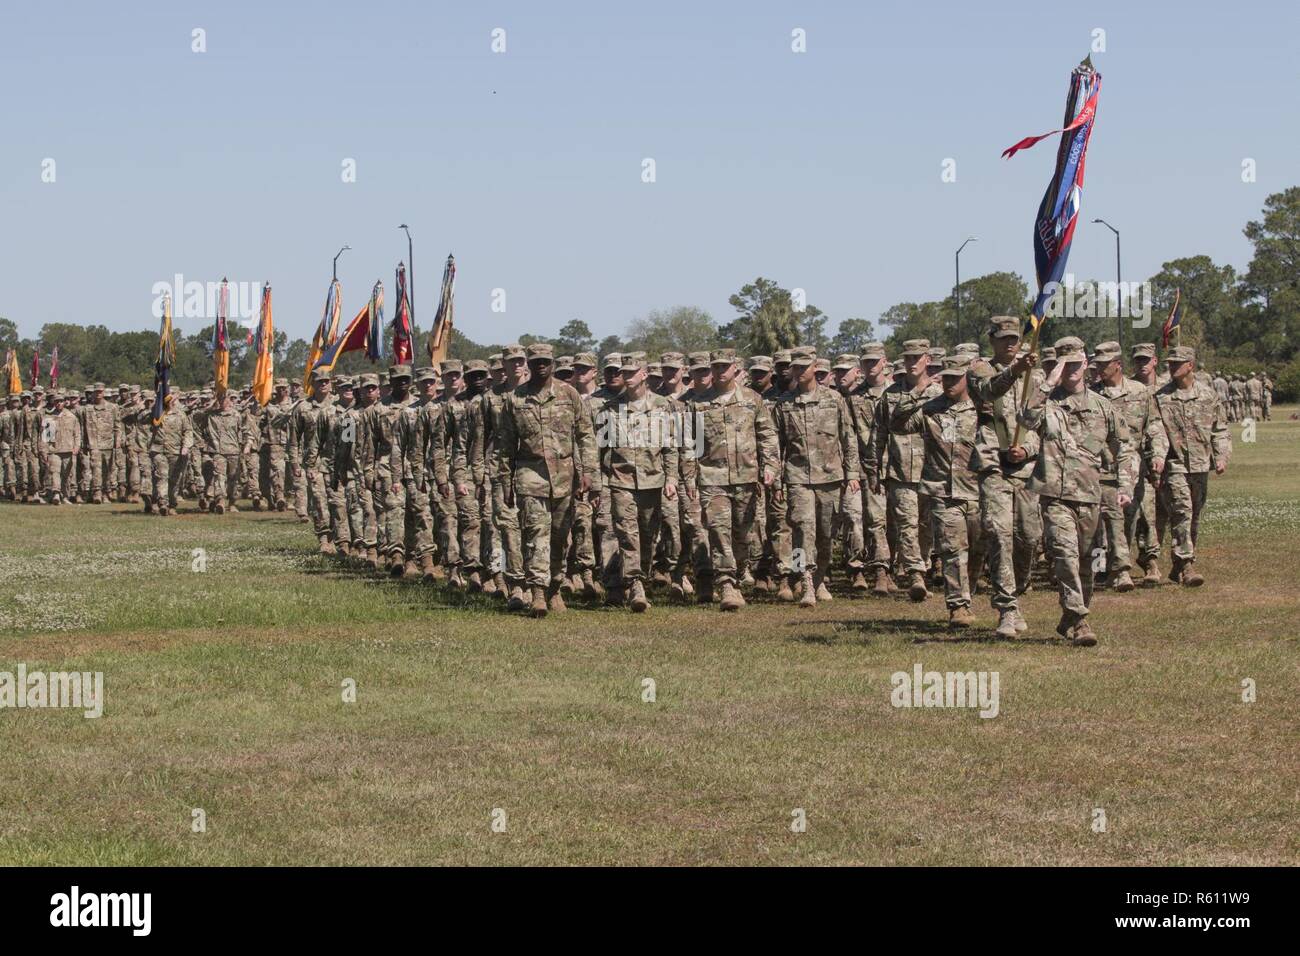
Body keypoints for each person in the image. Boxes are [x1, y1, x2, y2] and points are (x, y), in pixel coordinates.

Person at [1013, 337, 1136, 646]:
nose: (1070, 370)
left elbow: (1124, 448)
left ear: (1085, 366)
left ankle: (1072, 614)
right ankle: (1080, 621)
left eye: (1075, 364)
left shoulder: (1102, 407)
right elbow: (1025, 419)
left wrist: (1125, 485)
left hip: (1091, 496)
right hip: (1055, 496)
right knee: (1064, 556)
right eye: (1063, 364)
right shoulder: (1048, 403)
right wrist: (1047, 382)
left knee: (1087, 563)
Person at [495, 343, 599, 616]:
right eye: (536, 361)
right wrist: (506, 483)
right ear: (529, 364)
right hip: (531, 476)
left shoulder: (569, 394)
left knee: (560, 538)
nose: (541, 365)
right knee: (535, 534)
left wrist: (588, 472)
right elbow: (505, 446)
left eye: (545, 361)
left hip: (565, 476)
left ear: (553, 363)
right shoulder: (515, 400)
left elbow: (585, 436)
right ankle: (538, 592)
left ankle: (555, 587)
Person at [686, 348, 780, 611]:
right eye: (715, 367)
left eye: (724, 366)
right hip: (711, 478)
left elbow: (767, 435)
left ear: (736, 368)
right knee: (718, 530)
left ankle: (738, 572)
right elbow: (689, 444)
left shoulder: (752, 400)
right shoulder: (699, 403)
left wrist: (771, 466)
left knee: (744, 533)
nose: (719, 371)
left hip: (747, 477)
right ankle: (727, 583)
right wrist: (689, 477)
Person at [772, 347, 860, 607]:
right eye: (794, 367)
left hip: (830, 476)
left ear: (815, 368)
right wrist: (777, 481)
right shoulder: (784, 404)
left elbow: (848, 438)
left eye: (803, 367)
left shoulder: (834, 400)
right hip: (798, 476)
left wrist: (852, 473)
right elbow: (776, 446)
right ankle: (806, 580)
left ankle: (820, 577)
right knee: (802, 529)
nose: (797, 372)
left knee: (825, 534)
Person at [599, 352, 679, 612]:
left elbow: (671, 447)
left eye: (632, 373)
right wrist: (600, 480)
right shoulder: (610, 409)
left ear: (644, 374)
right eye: (624, 373)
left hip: (652, 480)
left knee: (647, 534)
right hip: (620, 480)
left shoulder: (663, 406)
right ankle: (635, 584)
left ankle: (639, 577)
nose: (627, 377)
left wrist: (671, 478)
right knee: (626, 533)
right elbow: (599, 448)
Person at [1151, 346, 1231, 587]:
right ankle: (1187, 565)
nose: (1172, 367)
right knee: (1181, 512)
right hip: (1174, 465)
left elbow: (1220, 429)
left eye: (1177, 363)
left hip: (1200, 465)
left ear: (1190, 366)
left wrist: (1221, 456)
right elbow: (1156, 431)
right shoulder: (1160, 397)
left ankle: (1178, 565)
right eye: (1170, 363)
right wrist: (1158, 456)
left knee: (1194, 517)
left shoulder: (1208, 396)